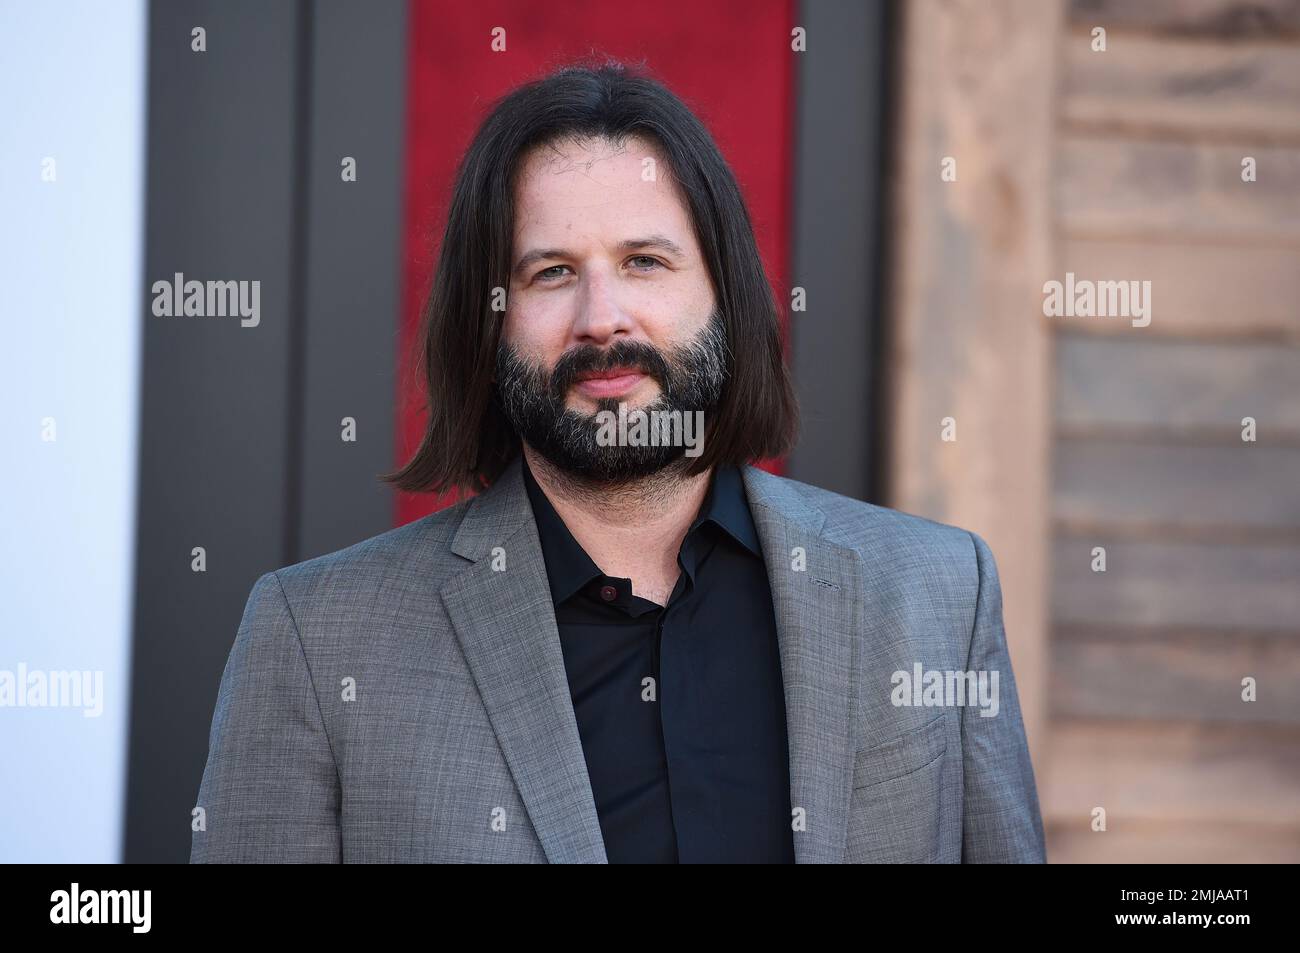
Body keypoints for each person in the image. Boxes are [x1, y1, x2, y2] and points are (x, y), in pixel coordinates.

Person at [191, 60, 1045, 863]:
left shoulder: (940, 593)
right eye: (551, 272)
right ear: (487, 325)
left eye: (644, 261)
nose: (603, 317)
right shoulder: (314, 638)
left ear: (725, 295)